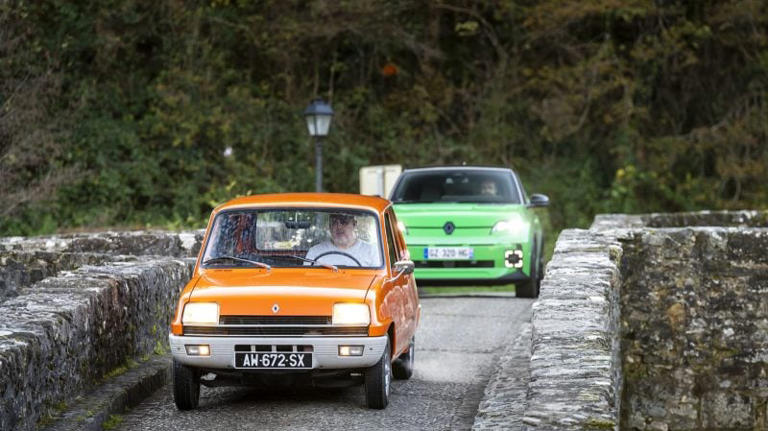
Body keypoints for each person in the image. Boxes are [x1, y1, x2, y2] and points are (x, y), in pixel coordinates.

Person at [305, 213, 379, 267]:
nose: (339, 226)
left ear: (354, 224)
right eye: (334, 222)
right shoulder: (315, 252)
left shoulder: (371, 251)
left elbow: (378, 280)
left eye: (344, 221)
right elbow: (305, 280)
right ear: (330, 226)